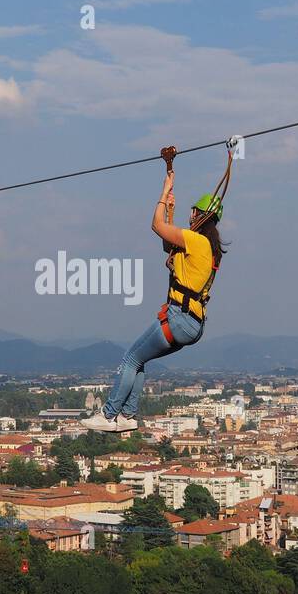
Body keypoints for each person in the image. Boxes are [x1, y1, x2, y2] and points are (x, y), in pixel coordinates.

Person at [84, 169, 225, 432]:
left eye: (193, 212)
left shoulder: (197, 241)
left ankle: (110, 414)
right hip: (193, 323)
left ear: (200, 215)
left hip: (179, 319)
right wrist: (170, 209)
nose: (190, 216)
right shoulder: (209, 250)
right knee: (139, 360)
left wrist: (163, 193)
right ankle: (127, 416)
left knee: (129, 359)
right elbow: (168, 246)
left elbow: (156, 227)